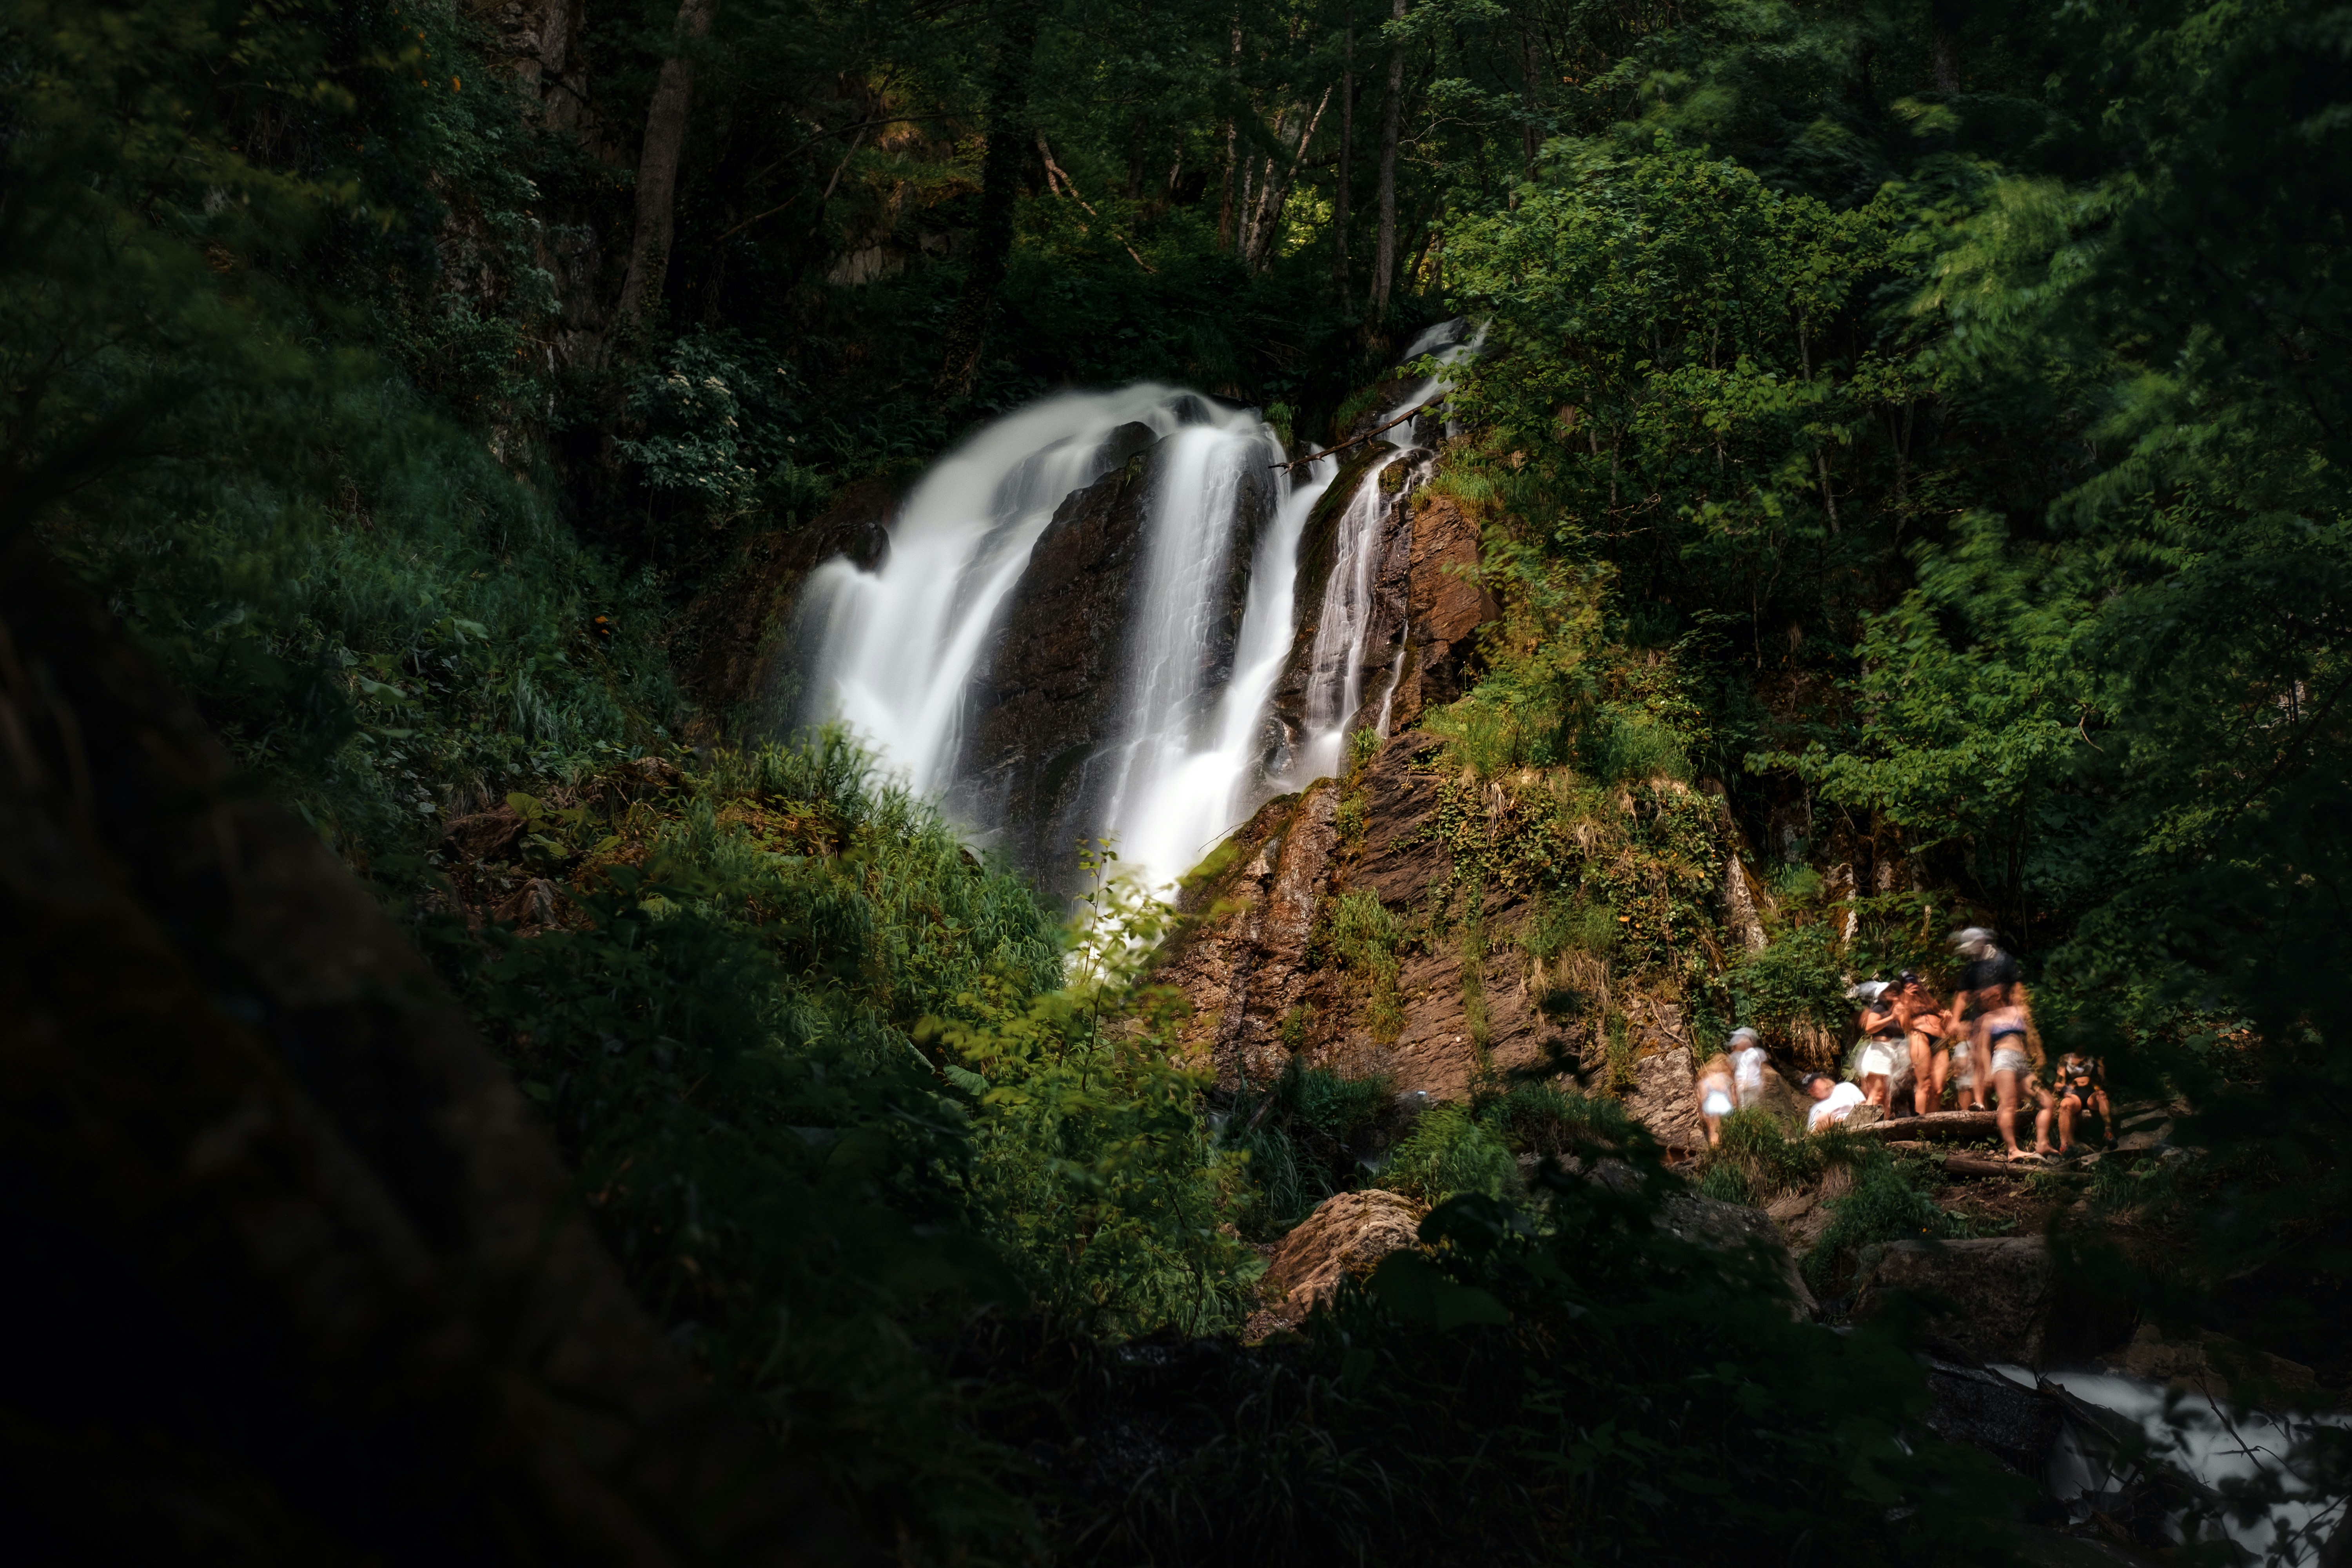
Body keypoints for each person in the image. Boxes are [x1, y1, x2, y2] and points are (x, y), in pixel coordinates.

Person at [1948, 928, 2018, 1112]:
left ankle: (2008, 1102)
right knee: (1979, 1059)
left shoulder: (2004, 961)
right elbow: (1962, 996)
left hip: (2004, 1017)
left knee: (2007, 1057)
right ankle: (1979, 1102)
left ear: (1982, 942)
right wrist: (1955, 1020)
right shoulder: (1970, 968)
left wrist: (2016, 1011)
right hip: (1979, 1019)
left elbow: (2016, 988)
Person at [1893, 971, 1949, 1116]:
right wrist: (1907, 1000)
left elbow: (1946, 1023)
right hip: (1920, 1037)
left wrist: (1948, 1017)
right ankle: (1919, 1126)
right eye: (1907, 983)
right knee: (1925, 1084)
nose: (1911, 984)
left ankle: (1933, 1125)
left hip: (1941, 1041)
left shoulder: (1929, 1001)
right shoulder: (1900, 1003)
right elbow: (1904, 1025)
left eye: (1913, 981)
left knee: (1938, 1089)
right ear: (1903, 987)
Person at [1849, 980, 1903, 1116]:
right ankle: (1867, 1129)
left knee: (1889, 1097)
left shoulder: (1897, 1009)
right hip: (1880, 1052)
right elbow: (1870, 1028)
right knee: (1877, 1094)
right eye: (1890, 991)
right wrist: (1891, 1017)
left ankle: (1886, 1132)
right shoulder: (1880, 1008)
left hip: (1893, 1053)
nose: (1894, 993)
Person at [2054, 1052, 2112, 1154]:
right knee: (2064, 1105)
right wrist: (2066, 1089)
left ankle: (2109, 1132)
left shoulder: (2094, 1057)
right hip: (2074, 1094)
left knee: (2102, 1095)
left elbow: (2102, 1080)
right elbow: (2058, 1084)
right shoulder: (2065, 1059)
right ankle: (2065, 1146)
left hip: (2091, 1093)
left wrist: (2101, 1066)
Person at [1802, 1071, 1868, 1133]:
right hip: (1833, 1134)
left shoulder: (1846, 1087)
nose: (1812, 1089)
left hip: (1857, 1122)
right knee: (1824, 1117)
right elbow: (1811, 1133)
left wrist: (1847, 1120)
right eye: (1809, 1089)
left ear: (1823, 1080)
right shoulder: (1815, 1109)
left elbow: (1864, 1106)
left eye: (1814, 1084)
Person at [1695, 1053, 1737, 1148]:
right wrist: (1735, 1106)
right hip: (1723, 1105)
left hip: (1710, 1106)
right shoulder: (1724, 1078)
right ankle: (1727, 1149)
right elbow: (1730, 1096)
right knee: (1724, 1128)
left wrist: (1702, 1113)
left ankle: (1714, 1150)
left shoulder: (1703, 1081)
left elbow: (1702, 1098)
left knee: (1713, 1130)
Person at [1729, 1027, 1769, 1110]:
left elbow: (1763, 1068)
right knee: (1743, 1108)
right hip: (1741, 1086)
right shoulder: (1736, 1056)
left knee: (1752, 1107)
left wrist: (1763, 1081)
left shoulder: (1757, 1053)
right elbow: (1732, 1070)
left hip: (1753, 1085)